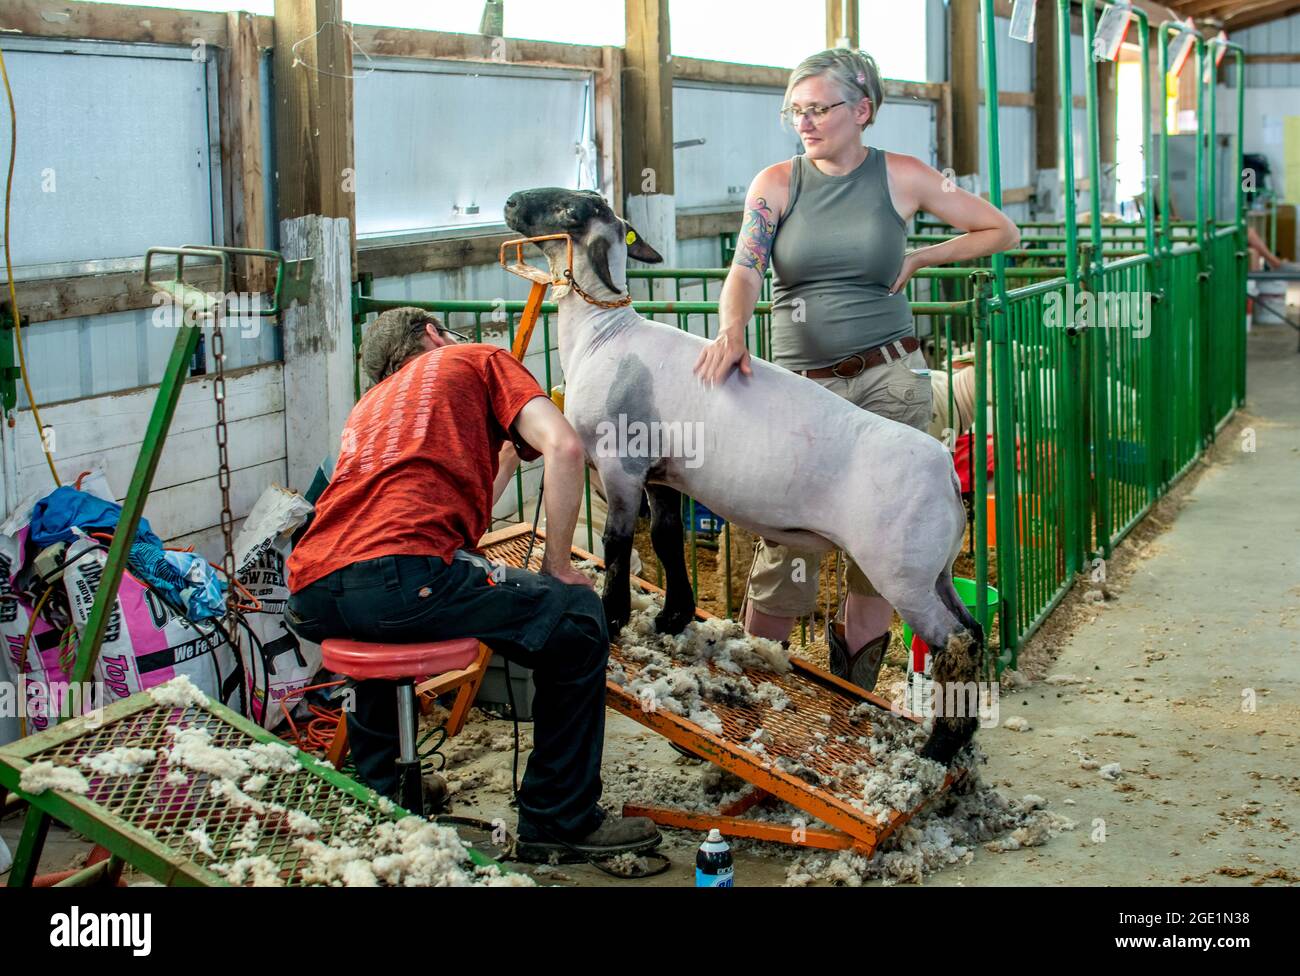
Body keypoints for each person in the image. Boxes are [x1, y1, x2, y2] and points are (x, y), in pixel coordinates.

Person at [694, 48, 1020, 691]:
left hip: (891, 381)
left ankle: (852, 704)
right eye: (797, 110)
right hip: (801, 394)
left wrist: (926, 255)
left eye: (819, 109)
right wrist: (732, 329)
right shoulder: (776, 183)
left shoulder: (903, 176)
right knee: (785, 542)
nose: (805, 123)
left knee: (886, 538)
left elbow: (1000, 230)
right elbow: (746, 267)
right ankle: (757, 701)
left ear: (862, 111)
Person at [286, 307, 660, 863]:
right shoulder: (476, 358)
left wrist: (504, 455)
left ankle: (387, 793)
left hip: (314, 588)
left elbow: (444, 505)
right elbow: (564, 447)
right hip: (401, 573)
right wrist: (558, 566)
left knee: (387, 621)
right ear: (433, 335)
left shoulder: (373, 407)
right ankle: (559, 818)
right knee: (578, 622)